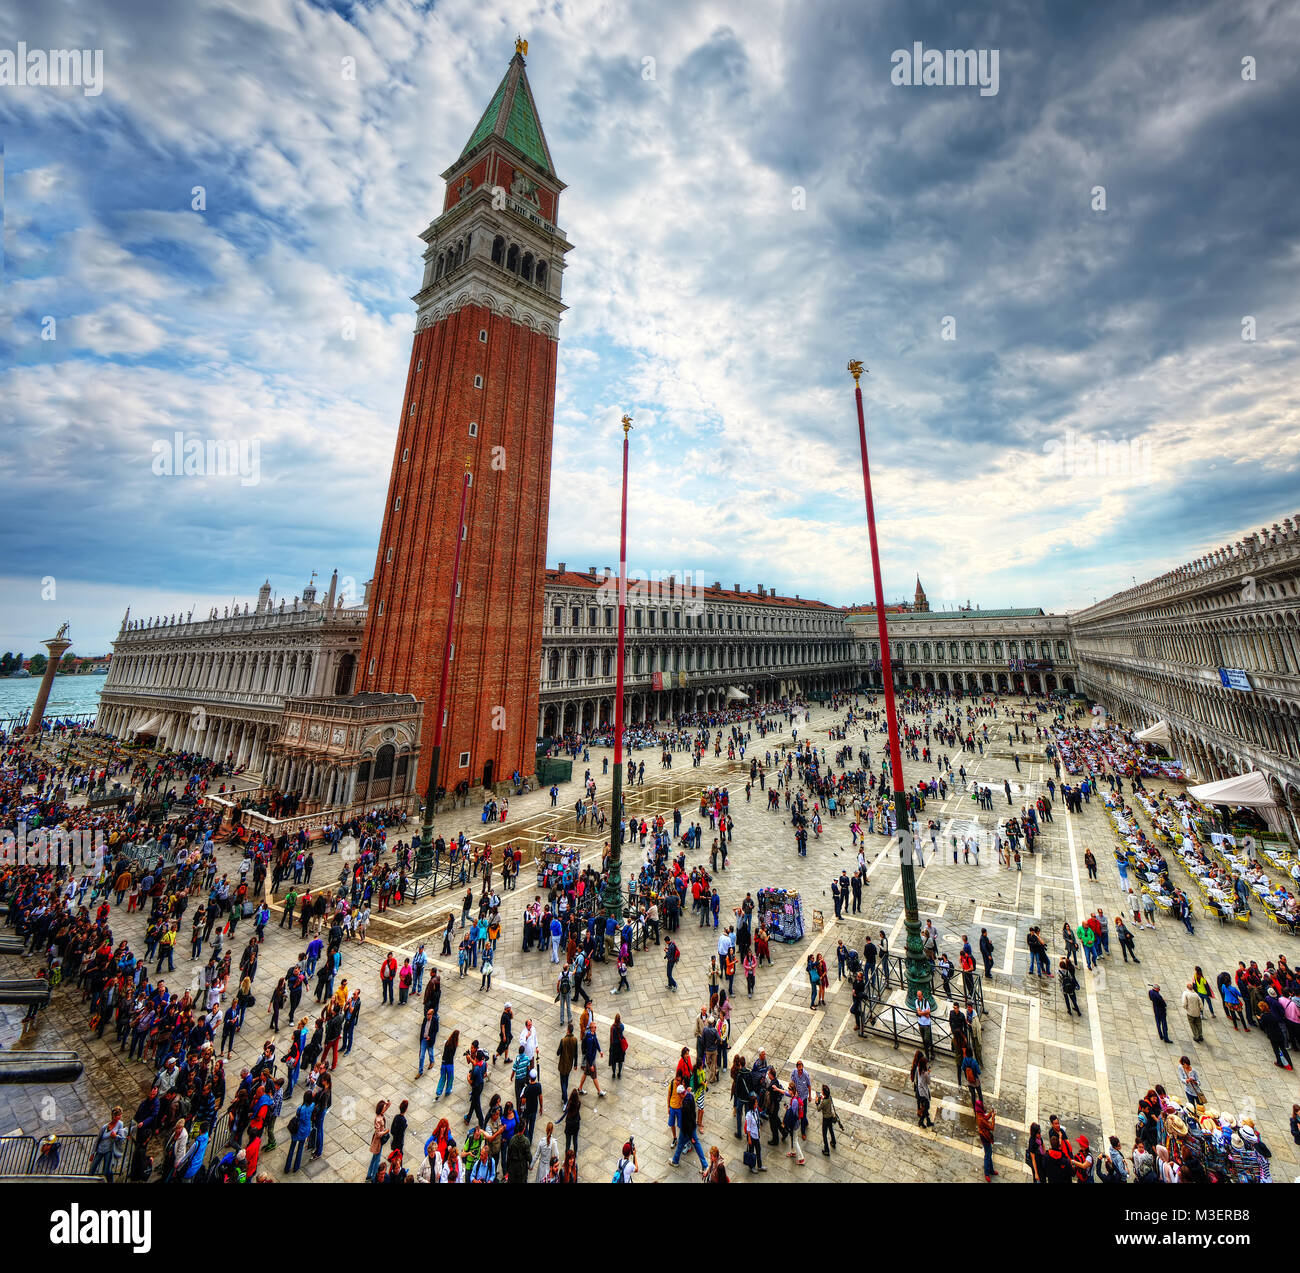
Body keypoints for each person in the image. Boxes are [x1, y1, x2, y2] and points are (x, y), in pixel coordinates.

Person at [815, 1084, 843, 1156]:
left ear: (824, 1093)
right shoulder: (829, 1098)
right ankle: (833, 1142)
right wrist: (822, 1098)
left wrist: (817, 1102)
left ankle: (826, 1150)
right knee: (831, 1129)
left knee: (824, 1134)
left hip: (825, 1119)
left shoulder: (823, 1102)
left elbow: (818, 1109)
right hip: (830, 1117)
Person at [975, 1097, 997, 1182]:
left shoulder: (980, 1114)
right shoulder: (980, 1119)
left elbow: (986, 1118)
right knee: (988, 1155)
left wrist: (991, 1113)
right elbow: (992, 1127)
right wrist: (993, 1117)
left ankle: (991, 1170)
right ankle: (987, 1173)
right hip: (985, 1137)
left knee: (989, 1153)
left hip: (984, 1135)